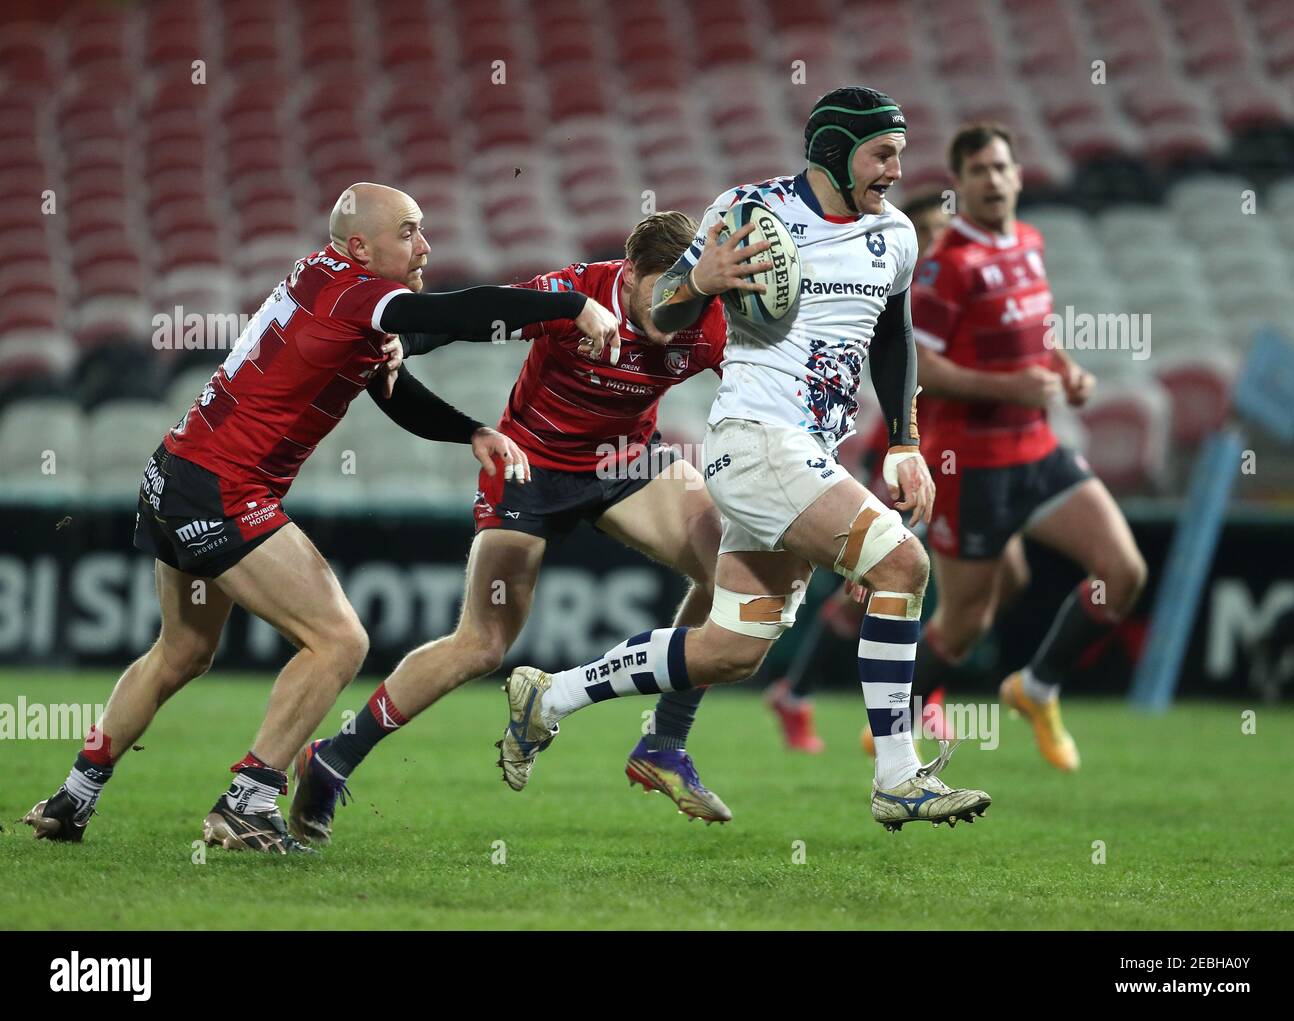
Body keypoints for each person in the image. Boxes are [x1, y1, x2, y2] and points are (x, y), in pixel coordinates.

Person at [23, 182, 618, 853]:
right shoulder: (362, 296)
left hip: (176, 472)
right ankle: (247, 799)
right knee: (339, 641)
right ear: (362, 245)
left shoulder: (328, 282)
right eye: (409, 231)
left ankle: (74, 797)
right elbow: (465, 313)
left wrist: (470, 431)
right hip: (225, 487)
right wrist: (573, 305)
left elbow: (386, 383)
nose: (425, 244)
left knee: (182, 651)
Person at [495, 87, 992, 832]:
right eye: (882, 152)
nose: (897, 167)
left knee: (731, 649)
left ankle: (551, 695)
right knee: (902, 567)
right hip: (759, 441)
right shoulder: (750, 211)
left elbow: (895, 339)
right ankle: (897, 775)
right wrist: (699, 282)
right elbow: (660, 314)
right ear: (834, 150)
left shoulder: (895, 236)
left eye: (900, 150)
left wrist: (905, 440)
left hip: (806, 450)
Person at [288, 211, 741, 843]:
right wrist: (404, 345)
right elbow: (471, 318)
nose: (677, 309)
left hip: (627, 461)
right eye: (664, 290)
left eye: (687, 294)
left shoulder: (711, 316)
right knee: (482, 645)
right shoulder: (575, 294)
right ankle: (333, 758)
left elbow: (765, 413)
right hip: (532, 467)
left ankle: (664, 742)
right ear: (629, 273)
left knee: (733, 579)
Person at [909, 125, 1148, 771]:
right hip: (972, 464)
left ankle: (1036, 686)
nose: (992, 179)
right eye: (979, 170)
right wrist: (1010, 384)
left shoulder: (1031, 242)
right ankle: (896, 719)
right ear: (960, 184)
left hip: (1037, 451)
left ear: (1018, 176)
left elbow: (1034, 329)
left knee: (1123, 573)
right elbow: (920, 366)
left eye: (1001, 167)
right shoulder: (946, 263)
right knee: (964, 619)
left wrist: (1066, 369)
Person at [765, 191, 953, 753]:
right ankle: (802, 694)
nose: (942, 241)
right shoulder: (904, 294)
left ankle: (916, 702)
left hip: (960, 456)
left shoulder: (961, 288)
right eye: (931, 232)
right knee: (877, 583)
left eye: (947, 230)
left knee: (961, 584)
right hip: (903, 451)